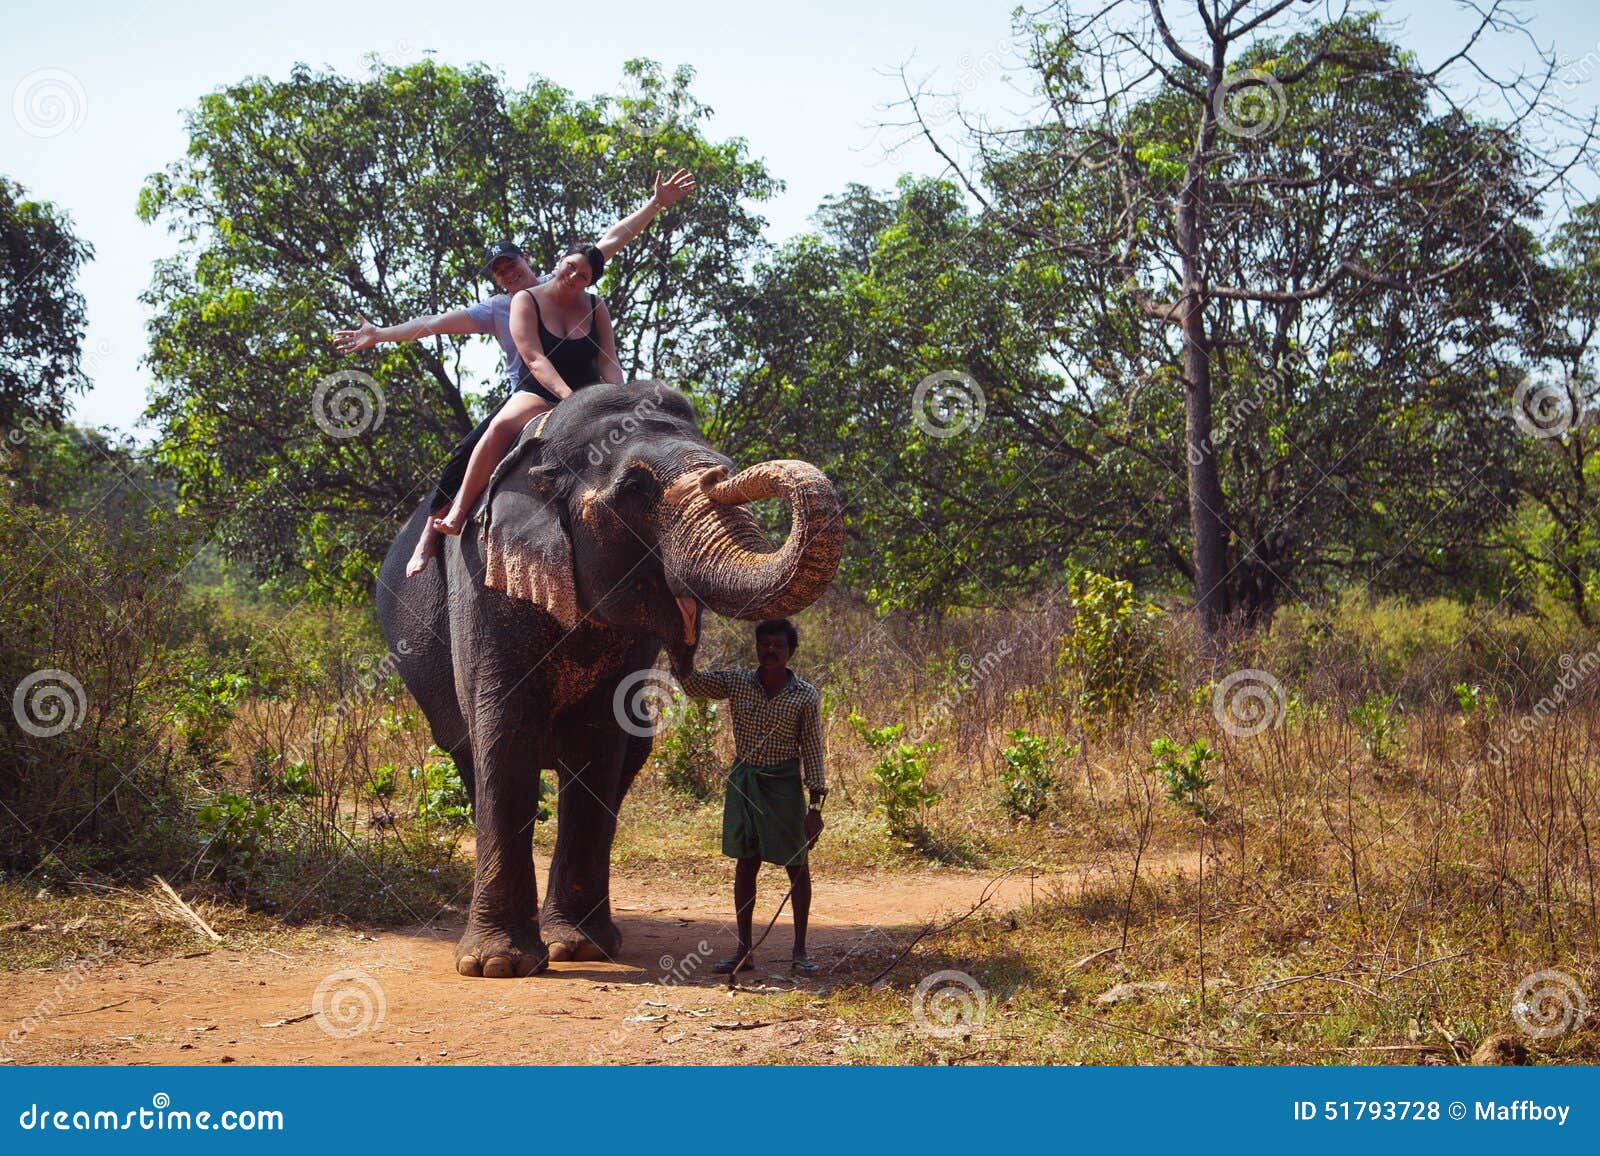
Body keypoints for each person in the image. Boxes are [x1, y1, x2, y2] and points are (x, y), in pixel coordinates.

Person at [330, 169, 696, 575]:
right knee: (468, 451)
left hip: (588, 387)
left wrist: (657, 203)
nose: (508, 272)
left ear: (529, 260)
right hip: (532, 391)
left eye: (512, 263)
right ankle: (433, 532)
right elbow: (432, 324)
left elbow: (614, 238)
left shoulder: (574, 278)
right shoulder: (501, 307)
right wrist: (380, 335)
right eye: (499, 270)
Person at [676, 618, 828, 975]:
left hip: (784, 784)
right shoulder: (737, 682)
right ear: (756, 648)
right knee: (746, 864)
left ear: (791, 652)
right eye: (764, 645)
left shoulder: (804, 695)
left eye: (778, 646)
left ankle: (800, 952)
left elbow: (813, 750)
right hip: (745, 781)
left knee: (797, 866)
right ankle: (743, 950)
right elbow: (691, 684)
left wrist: (815, 808)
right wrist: (681, 643)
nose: (770, 651)